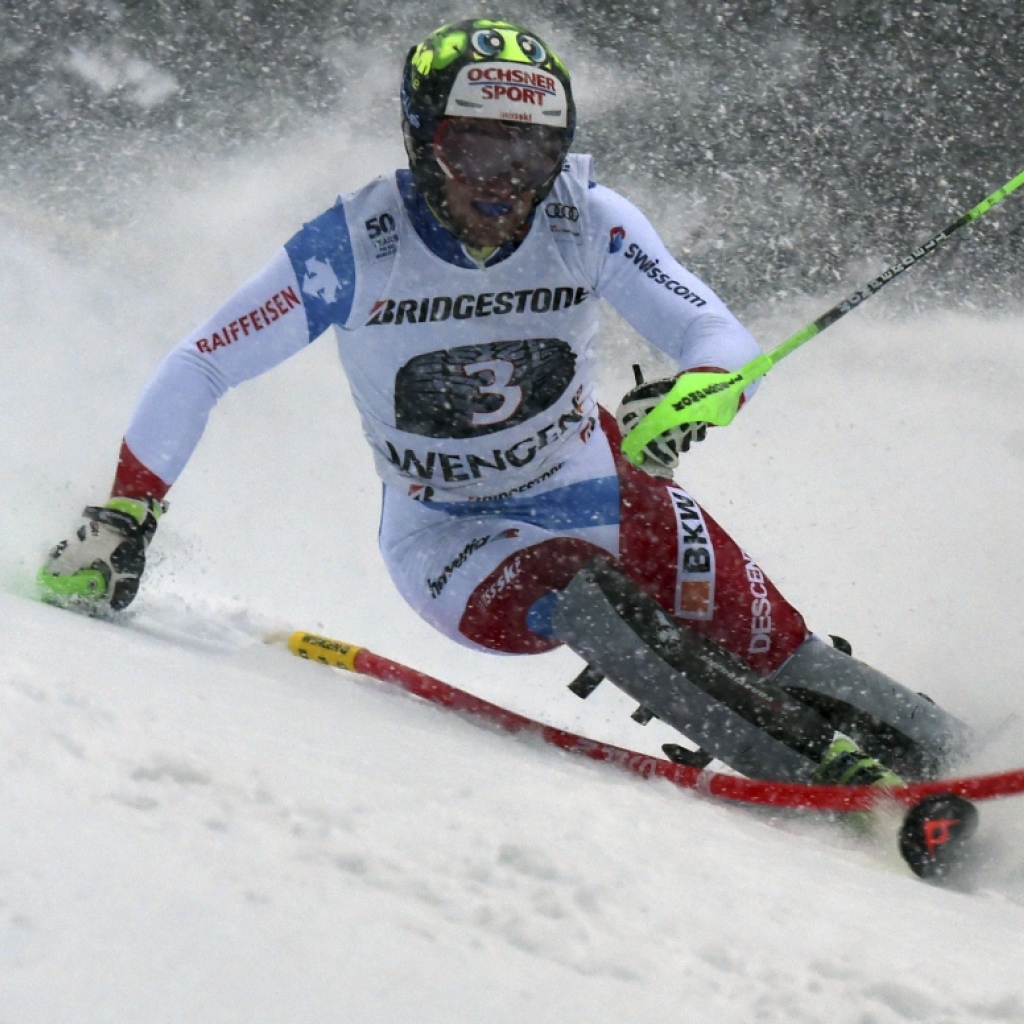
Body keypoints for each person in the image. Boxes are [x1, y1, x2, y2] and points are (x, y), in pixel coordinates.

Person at [39, 18, 968, 786]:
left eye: (534, 150)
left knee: (781, 647)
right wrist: (124, 513)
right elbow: (204, 362)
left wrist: (696, 398)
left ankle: (951, 751)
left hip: (605, 489)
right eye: (478, 145)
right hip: (453, 541)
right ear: (423, 135)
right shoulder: (354, 244)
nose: (507, 182)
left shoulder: (585, 215)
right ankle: (824, 773)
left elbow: (724, 345)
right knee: (590, 596)